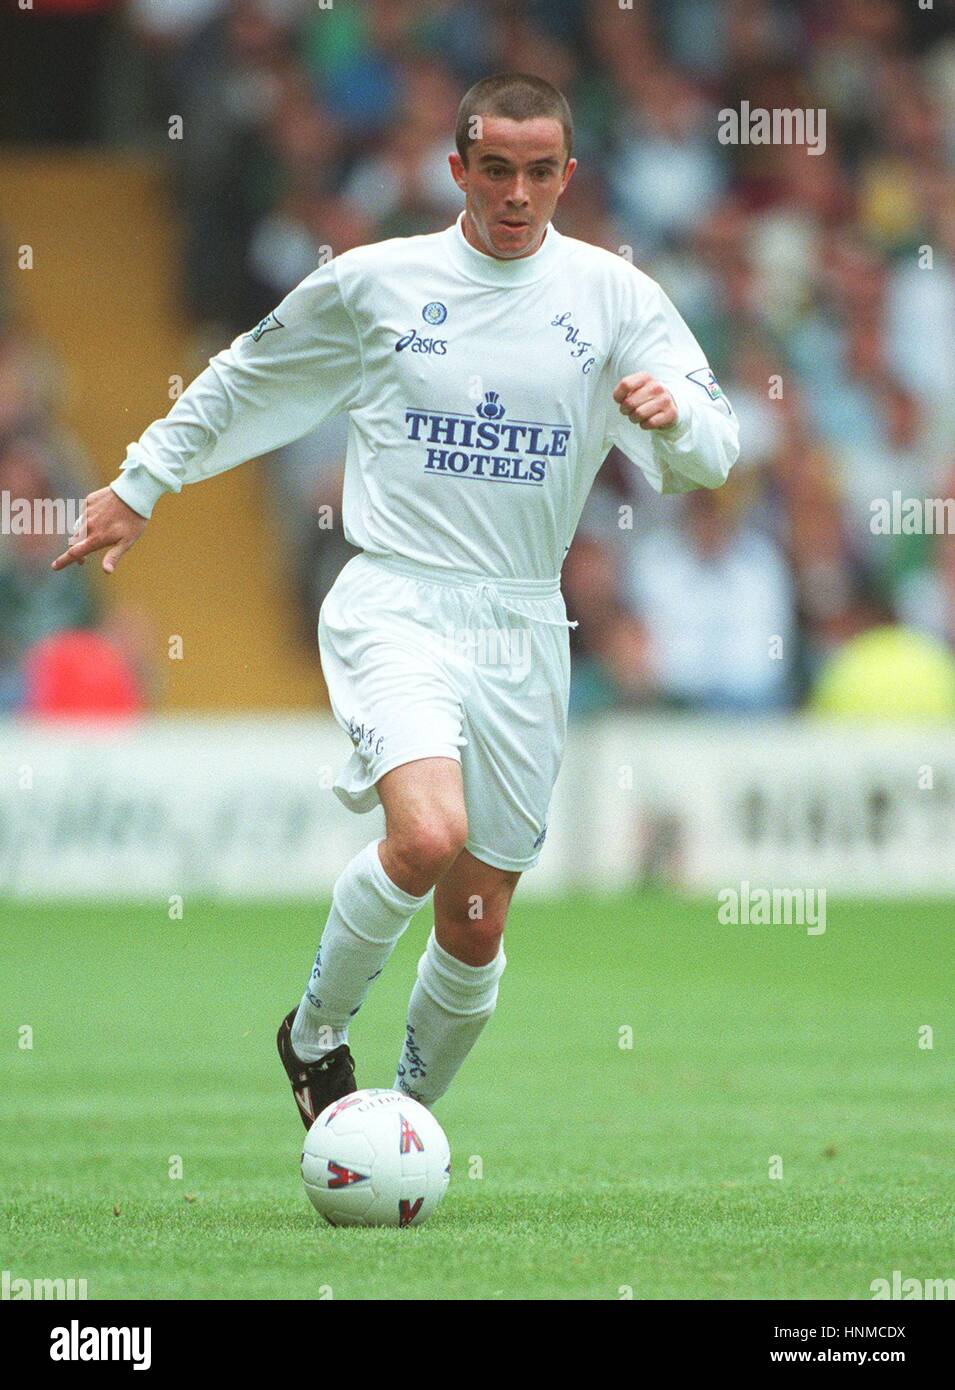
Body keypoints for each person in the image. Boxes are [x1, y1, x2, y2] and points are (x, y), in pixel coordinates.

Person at [53, 74, 739, 1126]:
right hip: (396, 598)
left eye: (539, 171)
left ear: (568, 175)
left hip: (520, 619)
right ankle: (315, 1032)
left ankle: (400, 1119)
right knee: (423, 838)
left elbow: (712, 447)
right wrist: (141, 482)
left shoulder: (616, 298)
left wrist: (674, 417)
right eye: (496, 169)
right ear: (456, 170)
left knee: (475, 920)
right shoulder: (377, 283)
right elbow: (251, 373)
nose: (517, 193)